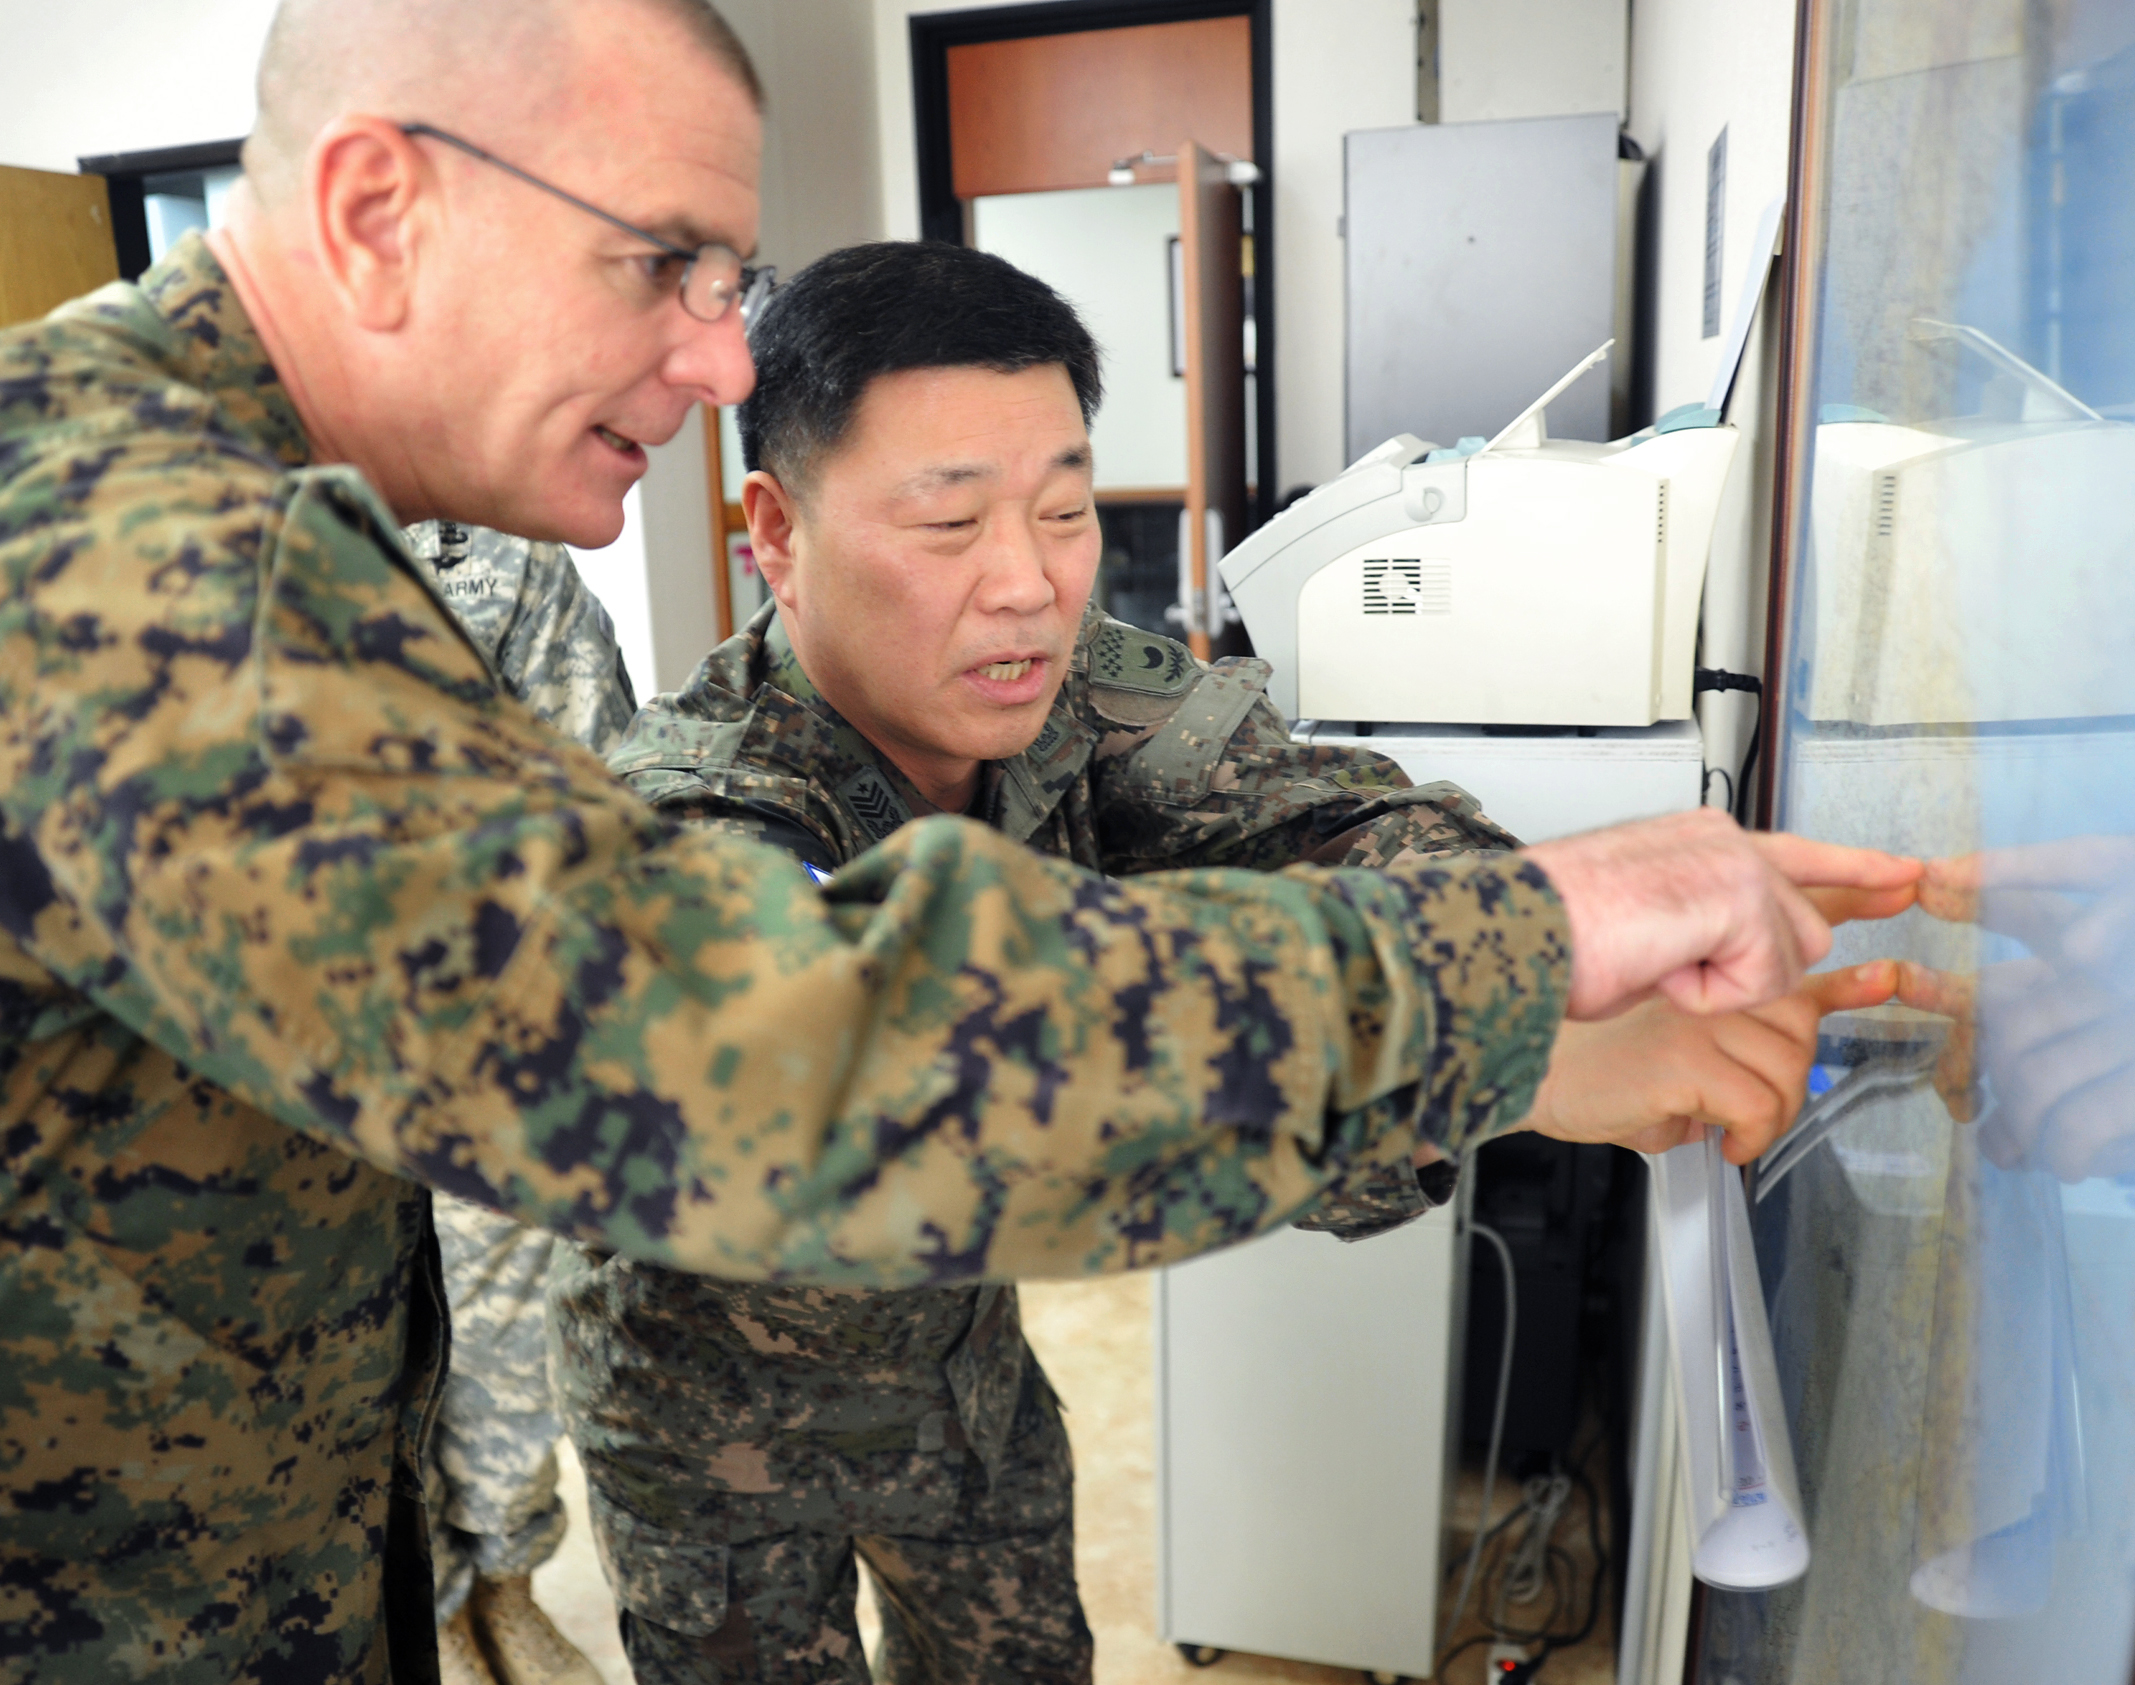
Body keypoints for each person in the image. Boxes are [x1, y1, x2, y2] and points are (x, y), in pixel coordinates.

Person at [0, 0, 1917, 1676]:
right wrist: (1509, 965)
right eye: (667, 266)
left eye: (734, 284)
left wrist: (1510, 968)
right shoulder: (82, 535)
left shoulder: (289, 533)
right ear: (378, 204)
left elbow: (1243, 802)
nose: (726, 352)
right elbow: (757, 1043)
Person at [557, 240, 1906, 1683]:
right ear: (773, 530)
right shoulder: (692, 815)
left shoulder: (1074, 687)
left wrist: (1543, 959)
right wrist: (1514, 1063)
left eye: (1065, 509)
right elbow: (973, 1116)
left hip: (953, 1373)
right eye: (948, 524)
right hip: (711, 1411)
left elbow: (1332, 810)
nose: (1026, 584)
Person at [405, 517, 619, 1685]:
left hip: (482, 1058)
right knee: (350, 1371)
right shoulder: (194, 532)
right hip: (274, 1082)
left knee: (502, 1343)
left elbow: (597, 793)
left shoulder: (497, 562)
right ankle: (425, 1607)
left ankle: (502, 1587)